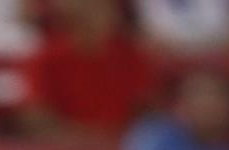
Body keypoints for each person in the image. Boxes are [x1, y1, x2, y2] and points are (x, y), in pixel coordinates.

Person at [22, 0, 158, 138]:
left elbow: (146, 115)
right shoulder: (43, 60)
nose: (93, 15)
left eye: (101, 7)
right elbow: (38, 123)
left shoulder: (134, 58)